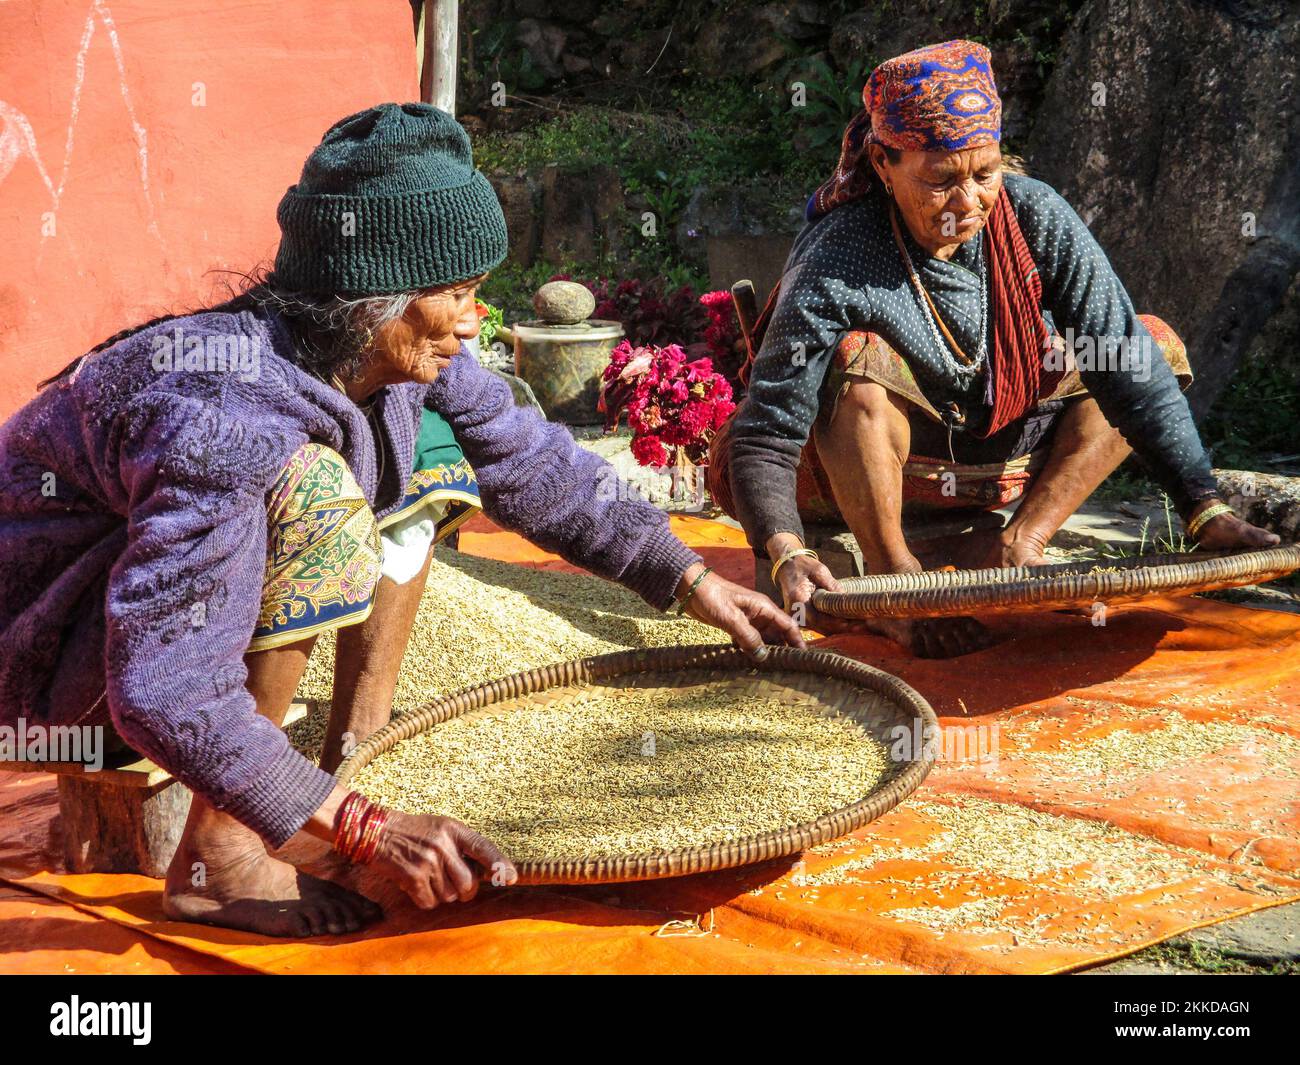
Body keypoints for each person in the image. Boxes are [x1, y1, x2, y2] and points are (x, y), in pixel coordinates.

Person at [0, 103, 803, 937]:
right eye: (454, 294)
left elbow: (527, 456)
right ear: (365, 301)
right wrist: (364, 829)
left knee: (426, 444)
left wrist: (688, 574)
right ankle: (221, 853)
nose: (471, 320)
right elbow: (164, 687)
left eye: (476, 291)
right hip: (41, 651)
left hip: (122, 621)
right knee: (317, 495)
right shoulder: (221, 414)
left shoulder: (380, 353)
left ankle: (354, 754)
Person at [708, 40, 1278, 658]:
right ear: (882, 163)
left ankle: (1020, 544)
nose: (968, 203)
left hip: (995, 445)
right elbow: (768, 430)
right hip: (864, 458)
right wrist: (787, 548)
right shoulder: (839, 254)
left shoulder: (1034, 217)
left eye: (985, 174)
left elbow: (1128, 362)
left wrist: (1203, 507)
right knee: (857, 360)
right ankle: (894, 581)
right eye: (941, 180)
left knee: (1144, 347)